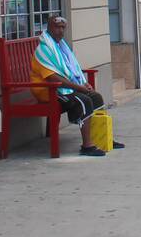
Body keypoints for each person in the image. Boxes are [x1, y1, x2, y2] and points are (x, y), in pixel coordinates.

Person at [32, 16, 122, 157]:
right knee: (83, 100)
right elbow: (52, 77)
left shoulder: (61, 47)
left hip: (60, 88)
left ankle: (104, 138)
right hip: (48, 90)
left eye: (63, 27)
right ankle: (87, 146)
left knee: (96, 97)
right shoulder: (44, 49)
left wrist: (82, 83)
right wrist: (78, 88)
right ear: (49, 28)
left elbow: (70, 70)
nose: (60, 31)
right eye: (57, 27)